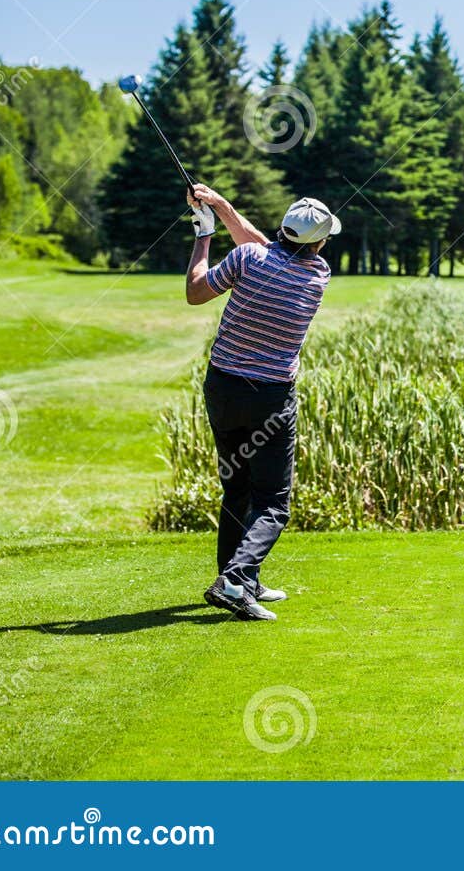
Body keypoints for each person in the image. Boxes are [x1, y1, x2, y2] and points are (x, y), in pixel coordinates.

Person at [183, 183, 340, 622]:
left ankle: (239, 580)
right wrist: (222, 210)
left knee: (236, 485)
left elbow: (197, 291)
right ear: (320, 242)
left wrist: (203, 233)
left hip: (223, 387)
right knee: (272, 500)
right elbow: (266, 250)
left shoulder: (249, 260)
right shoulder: (318, 274)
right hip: (270, 397)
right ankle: (235, 581)